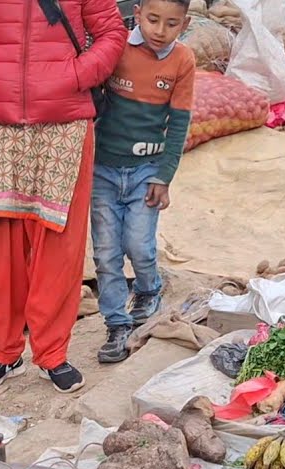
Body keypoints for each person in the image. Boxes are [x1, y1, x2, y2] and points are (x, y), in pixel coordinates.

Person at [0, 0, 128, 394]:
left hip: (66, 123)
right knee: (1, 241)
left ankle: (52, 354)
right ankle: (3, 353)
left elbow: (112, 33)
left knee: (59, 241)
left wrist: (76, 75)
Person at [90, 0, 194, 363]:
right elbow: (91, 94)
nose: (159, 30)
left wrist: (164, 176)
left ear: (185, 23)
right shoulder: (115, 46)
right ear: (137, 14)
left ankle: (149, 289)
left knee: (139, 245)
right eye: (152, 20)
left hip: (145, 172)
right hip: (102, 169)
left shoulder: (183, 60)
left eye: (170, 23)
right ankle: (116, 323)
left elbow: (179, 123)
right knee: (105, 253)